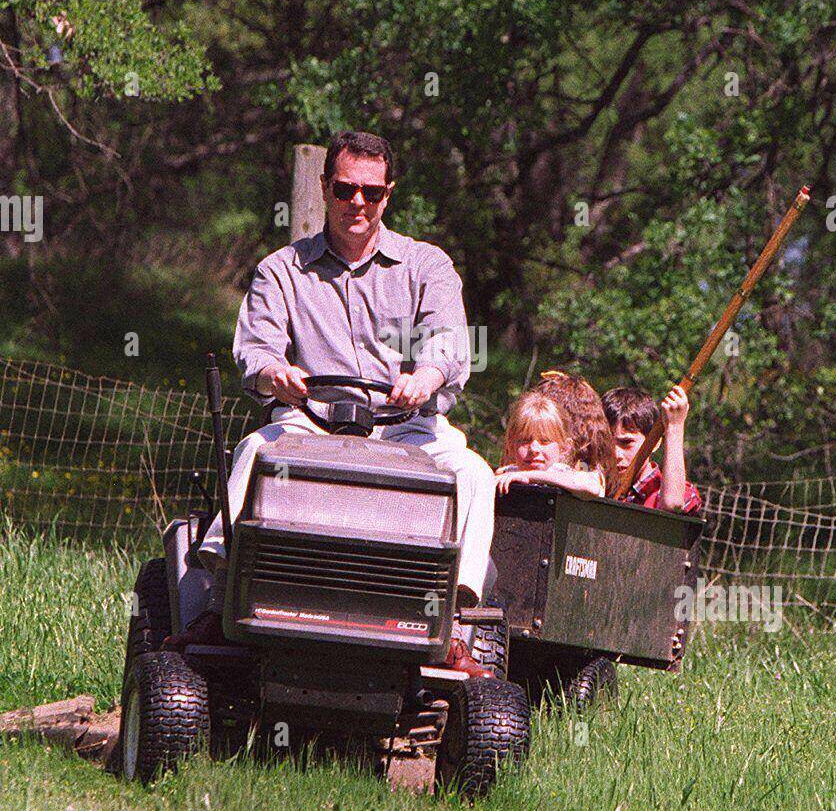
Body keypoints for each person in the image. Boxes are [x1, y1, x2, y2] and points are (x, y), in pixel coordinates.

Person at [191, 128, 496, 675]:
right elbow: (254, 352)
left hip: (405, 426)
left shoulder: (426, 267)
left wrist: (424, 377)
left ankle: (452, 618)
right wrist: (275, 375)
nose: (358, 202)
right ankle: (221, 594)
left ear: (389, 194)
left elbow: (449, 345)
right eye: (346, 189)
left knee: (471, 472)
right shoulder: (281, 271)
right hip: (313, 422)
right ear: (325, 186)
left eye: (372, 192)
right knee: (255, 453)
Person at [495, 387, 613, 497]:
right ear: (511, 445)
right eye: (525, 441)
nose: (534, 449)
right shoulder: (508, 473)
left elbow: (591, 487)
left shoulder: (564, 473)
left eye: (545, 441)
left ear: (564, 448)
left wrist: (528, 476)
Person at [602, 385, 702, 513]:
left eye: (626, 442)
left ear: (655, 442)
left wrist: (674, 426)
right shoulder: (593, 485)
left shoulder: (676, 492)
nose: (616, 454)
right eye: (607, 443)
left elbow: (673, 504)